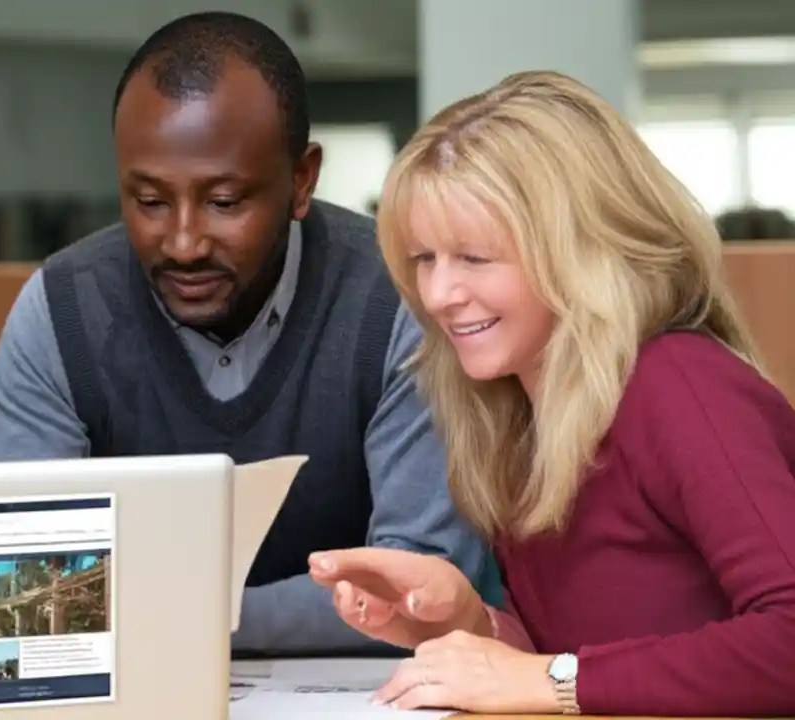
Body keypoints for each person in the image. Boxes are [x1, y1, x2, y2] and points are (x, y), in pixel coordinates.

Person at [0, 10, 494, 655]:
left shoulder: (398, 301)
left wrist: (172, 619)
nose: (184, 243)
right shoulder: (61, 310)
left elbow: (420, 590)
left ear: (302, 181)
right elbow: (5, 576)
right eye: (150, 201)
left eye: (224, 202)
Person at [307, 70, 795, 716]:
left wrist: (547, 681)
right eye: (425, 259)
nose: (438, 295)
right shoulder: (514, 407)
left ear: (579, 253)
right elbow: (598, 647)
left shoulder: (679, 384)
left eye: (474, 258)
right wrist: (471, 624)